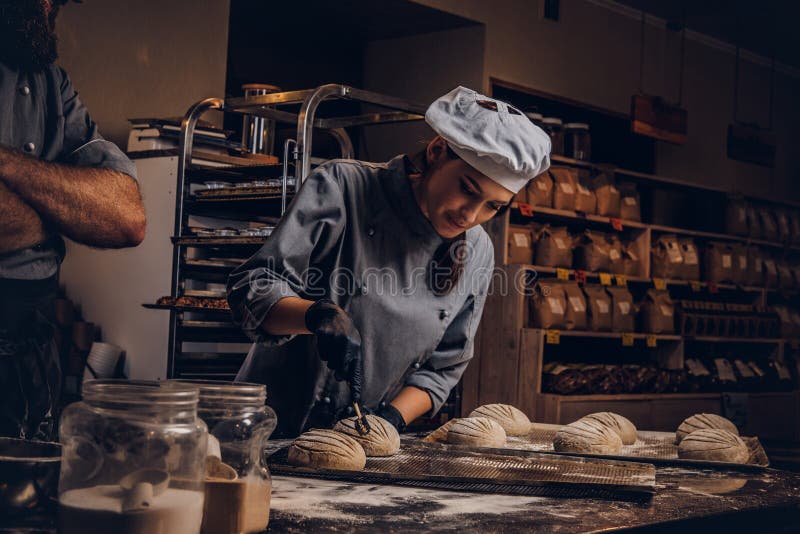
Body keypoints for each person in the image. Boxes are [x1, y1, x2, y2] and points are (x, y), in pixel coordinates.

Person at [228, 86, 550, 437]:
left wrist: (390, 420)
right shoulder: (344, 188)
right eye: (468, 189)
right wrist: (315, 316)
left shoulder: (477, 250)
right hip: (261, 430)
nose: (471, 215)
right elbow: (253, 287)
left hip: (360, 443)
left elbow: (445, 366)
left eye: (493, 206)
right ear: (438, 151)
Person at [0, 0, 146, 439]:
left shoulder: (49, 81)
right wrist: (64, 208)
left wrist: (8, 167)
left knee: (29, 499)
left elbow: (126, 216)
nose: (50, 4)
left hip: (31, 353)